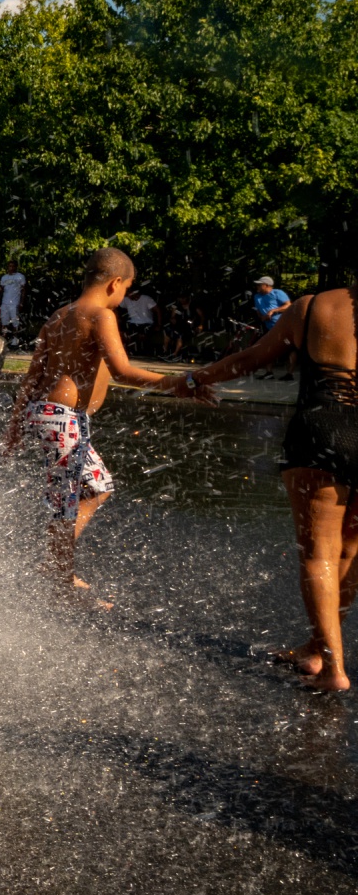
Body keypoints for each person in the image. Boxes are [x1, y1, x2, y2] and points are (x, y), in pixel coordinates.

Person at [170, 263, 358, 691]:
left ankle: (333, 667)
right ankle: (315, 648)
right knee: (349, 549)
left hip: (324, 427)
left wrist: (196, 377)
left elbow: (252, 359)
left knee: (319, 553)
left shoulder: (312, 307)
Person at [3, 247, 206, 604]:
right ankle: (58, 576)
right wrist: (181, 384)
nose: (124, 295)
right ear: (115, 283)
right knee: (78, 496)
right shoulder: (101, 315)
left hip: (49, 413)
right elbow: (124, 371)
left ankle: (56, 567)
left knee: (90, 489)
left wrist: (16, 425)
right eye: (127, 288)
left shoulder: (57, 315)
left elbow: (31, 378)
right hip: (62, 416)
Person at [252, 275, 294, 380]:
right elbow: (258, 309)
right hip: (268, 326)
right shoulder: (257, 296)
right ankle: (269, 372)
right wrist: (261, 316)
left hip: (283, 326)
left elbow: (288, 305)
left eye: (259, 284)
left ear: (266, 285)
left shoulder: (277, 293)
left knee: (289, 349)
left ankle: (289, 374)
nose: (257, 286)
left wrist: (273, 311)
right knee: (267, 348)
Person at [122, 285, 159, 356]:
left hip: (146, 322)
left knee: (142, 334)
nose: (129, 297)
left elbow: (157, 310)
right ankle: (129, 351)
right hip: (133, 322)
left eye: (130, 295)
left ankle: (143, 352)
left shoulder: (146, 299)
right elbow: (116, 305)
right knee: (126, 334)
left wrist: (158, 324)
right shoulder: (126, 299)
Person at [0, 261, 27, 347]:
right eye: (9, 266)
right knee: (4, 322)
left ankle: (15, 339)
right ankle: (4, 339)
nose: (11, 268)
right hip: (5, 302)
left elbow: (23, 290)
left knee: (15, 322)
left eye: (13, 266)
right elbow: (1, 290)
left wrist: (21, 302)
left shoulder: (20, 277)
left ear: (16, 267)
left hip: (14, 303)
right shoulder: (4, 278)